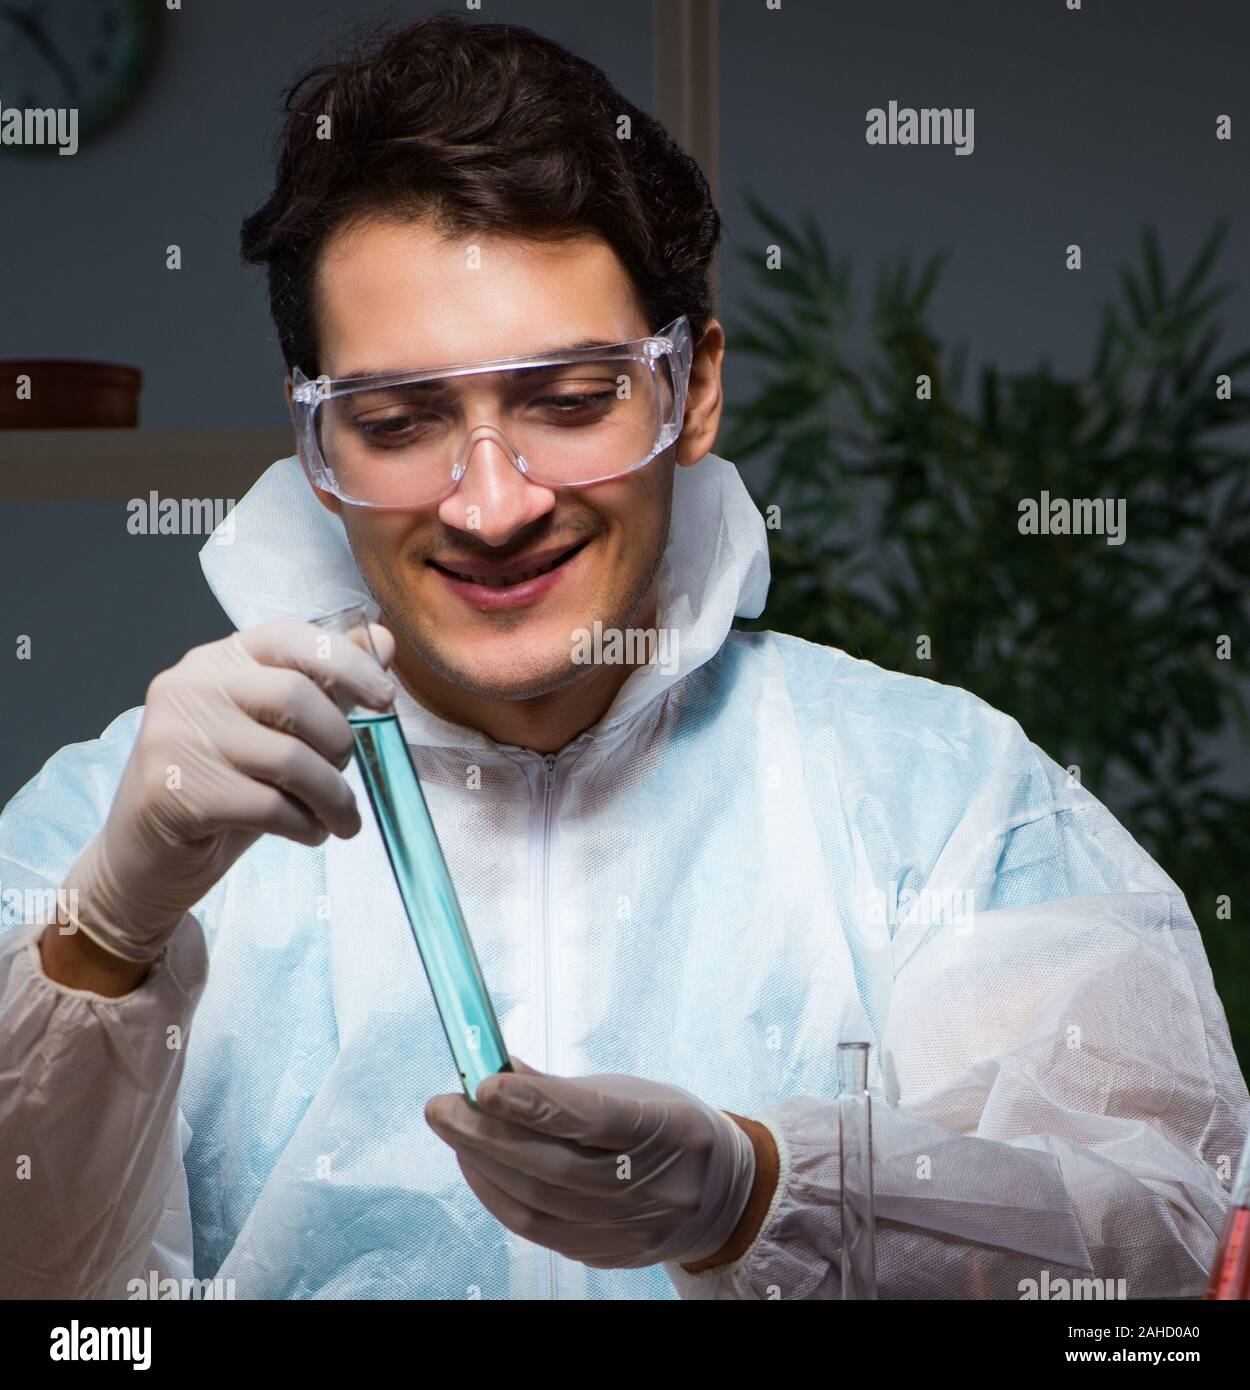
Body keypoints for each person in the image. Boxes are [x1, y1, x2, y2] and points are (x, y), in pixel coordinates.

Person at [1, 15, 1246, 1301]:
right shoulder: (117, 826)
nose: (491, 505)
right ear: (318, 446)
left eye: (568, 399)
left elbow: (1145, 1257)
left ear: (692, 386)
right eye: (396, 419)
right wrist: (102, 946)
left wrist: (761, 1194)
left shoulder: (938, 803)